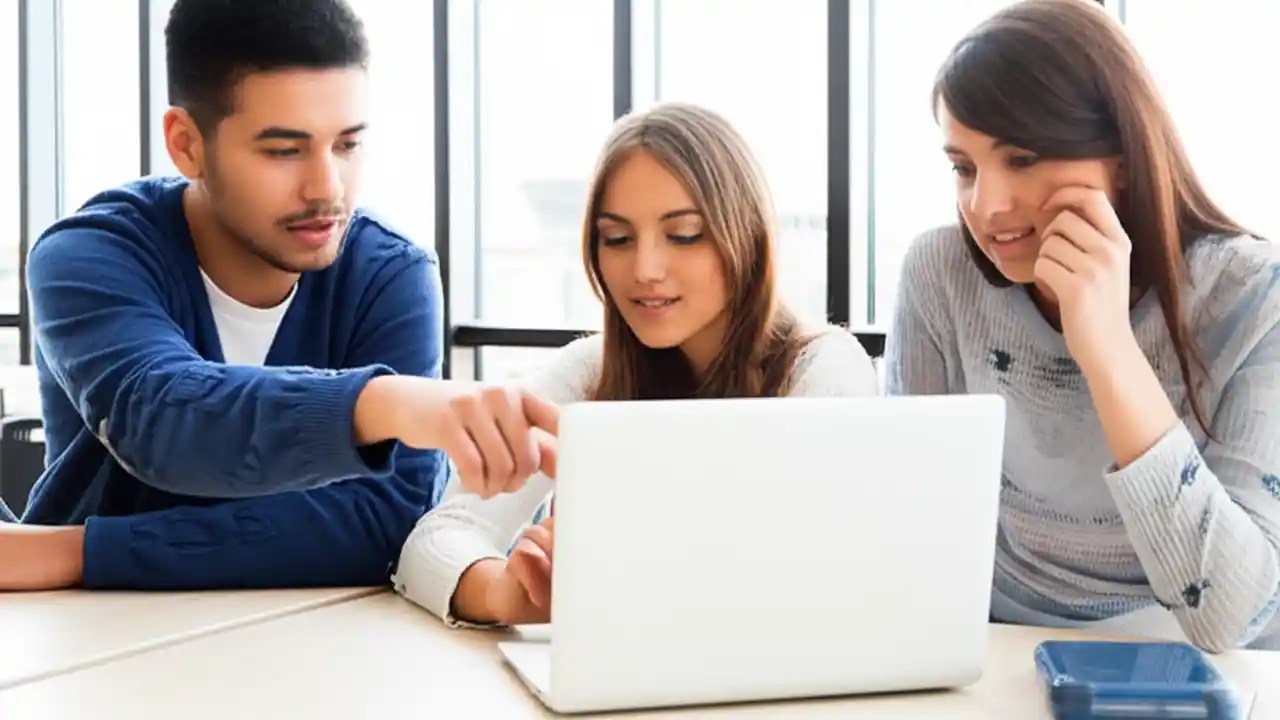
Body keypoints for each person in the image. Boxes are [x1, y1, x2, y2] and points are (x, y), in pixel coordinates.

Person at [0, 0, 558, 591]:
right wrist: (386, 404)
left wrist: (76, 552)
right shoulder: (88, 256)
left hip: (320, 643)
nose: (327, 188)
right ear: (187, 143)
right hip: (80, 638)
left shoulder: (390, 274)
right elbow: (163, 419)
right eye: (284, 150)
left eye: (347, 145)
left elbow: (385, 522)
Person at [391, 102, 881, 627]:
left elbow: (809, 574)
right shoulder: (590, 370)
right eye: (617, 238)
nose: (644, 269)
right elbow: (434, 541)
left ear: (747, 234)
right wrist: (508, 595)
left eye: (685, 234)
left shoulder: (823, 370)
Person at [887, 0, 1280, 651]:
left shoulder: (1252, 296)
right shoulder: (940, 273)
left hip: (1196, 660)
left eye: (1022, 158)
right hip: (1001, 649)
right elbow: (916, 535)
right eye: (964, 167)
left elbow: (1230, 616)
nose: (987, 206)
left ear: (1121, 157)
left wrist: (1107, 348)